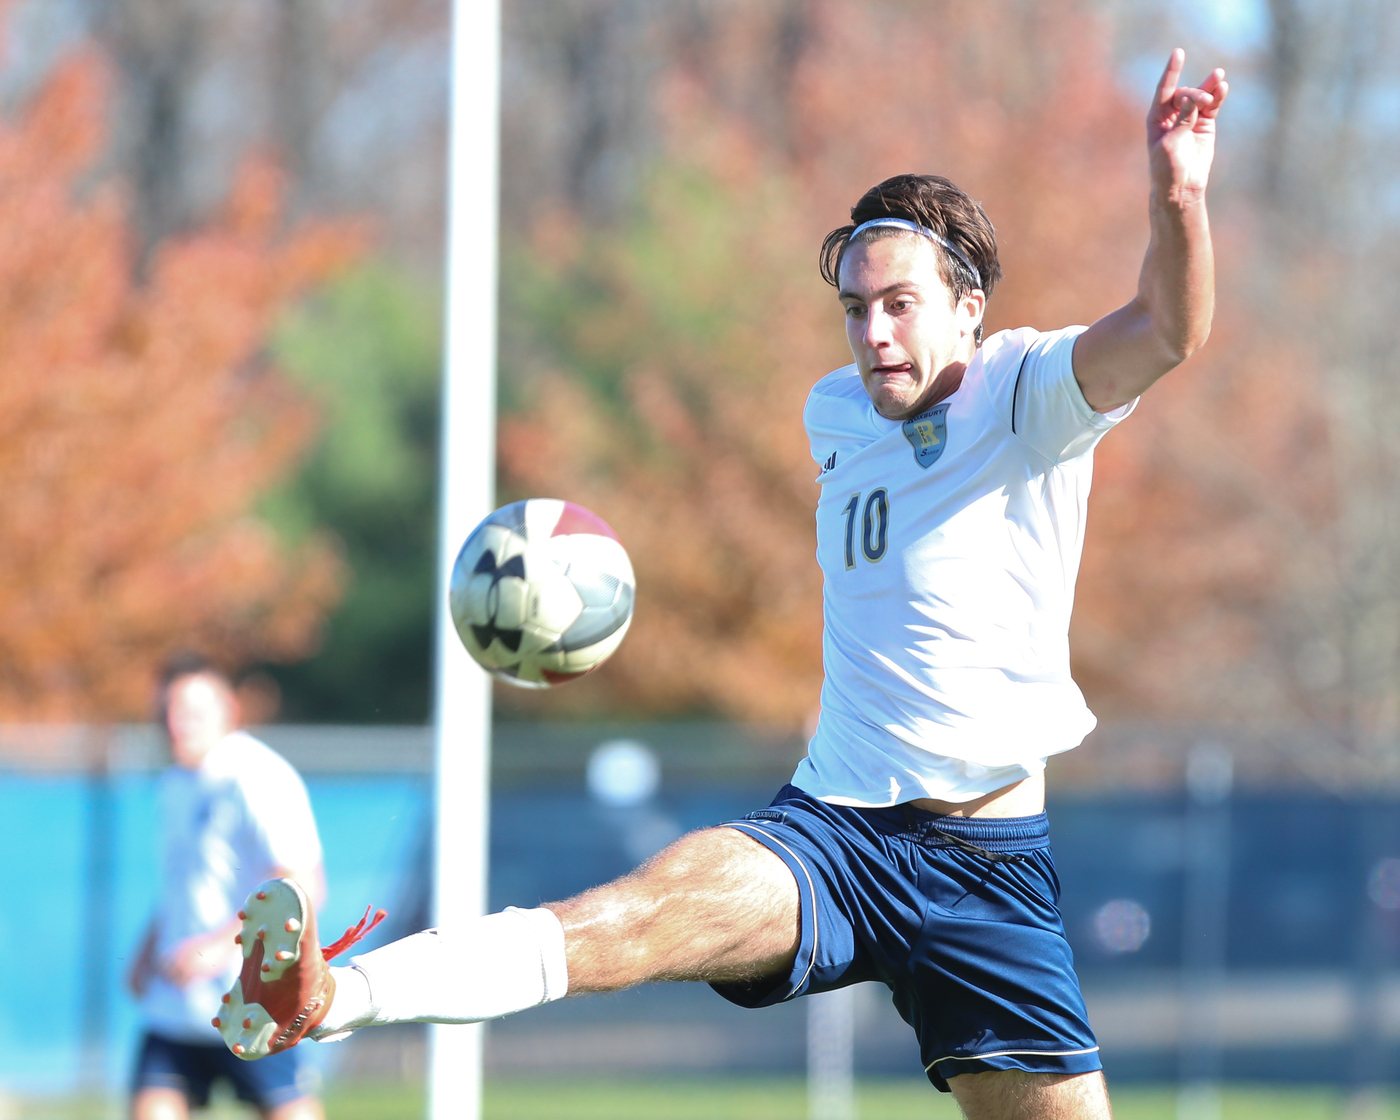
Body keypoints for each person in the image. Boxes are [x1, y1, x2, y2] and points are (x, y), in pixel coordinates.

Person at [214, 50, 1227, 1119]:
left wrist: (1175, 195)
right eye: (852, 308)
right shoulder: (834, 412)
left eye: (898, 304)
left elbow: (1166, 329)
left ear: (968, 305)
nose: (872, 333)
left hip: (986, 870)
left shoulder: (1030, 391)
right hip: (832, 835)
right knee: (629, 915)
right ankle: (331, 993)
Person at [128, 655, 328, 1120]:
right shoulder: (174, 784)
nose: (177, 725)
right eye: (167, 713)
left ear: (230, 712)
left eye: (192, 713)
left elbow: (303, 883)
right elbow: (186, 886)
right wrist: (147, 949)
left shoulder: (257, 777)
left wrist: (220, 947)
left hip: (251, 996)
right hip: (178, 1005)